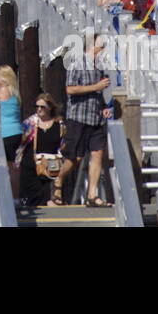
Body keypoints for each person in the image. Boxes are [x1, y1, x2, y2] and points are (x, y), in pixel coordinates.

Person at [58, 34, 114, 207]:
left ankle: (92, 194)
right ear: (92, 47)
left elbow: (98, 93)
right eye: (102, 46)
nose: (104, 50)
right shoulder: (77, 63)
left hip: (96, 118)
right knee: (75, 158)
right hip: (79, 117)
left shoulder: (99, 67)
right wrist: (96, 87)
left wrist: (104, 106)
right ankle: (58, 181)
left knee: (98, 154)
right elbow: (70, 89)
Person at [18, 93, 64, 207]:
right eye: (37, 106)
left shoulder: (60, 124)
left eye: (42, 107)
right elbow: (20, 140)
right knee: (33, 200)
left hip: (51, 166)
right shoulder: (31, 122)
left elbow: (63, 144)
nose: (39, 109)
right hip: (32, 165)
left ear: (50, 107)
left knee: (49, 200)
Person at [0, 66, 23, 164]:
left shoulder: (2, 91)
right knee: (14, 166)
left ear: (5, 79)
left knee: (2, 167)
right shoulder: (13, 91)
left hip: (5, 134)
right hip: (16, 132)